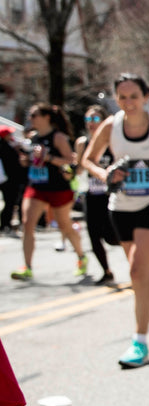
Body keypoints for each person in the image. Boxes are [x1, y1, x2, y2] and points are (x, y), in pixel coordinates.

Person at [82, 74, 149, 368]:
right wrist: (107, 174)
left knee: (137, 269)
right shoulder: (111, 126)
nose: (128, 102)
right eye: (122, 97)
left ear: (146, 96)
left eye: (134, 96)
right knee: (143, 270)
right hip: (122, 206)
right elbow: (88, 159)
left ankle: (140, 342)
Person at [10, 103, 87, 281]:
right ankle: (27, 267)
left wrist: (49, 158)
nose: (30, 119)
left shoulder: (58, 137)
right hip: (36, 186)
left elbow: (70, 160)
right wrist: (26, 161)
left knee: (64, 226)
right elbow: (33, 161)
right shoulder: (33, 138)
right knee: (27, 223)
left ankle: (81, 257)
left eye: (34, 115)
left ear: (47, 117)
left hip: (58, 188)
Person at [76, 106, 119, 285]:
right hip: (92, 194)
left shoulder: (112, 139)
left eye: (94, 120)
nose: (91, 124)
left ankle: (138, 263)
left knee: (113, 236)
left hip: (111, 194)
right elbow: (79, 168)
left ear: (103, 121)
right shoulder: (82, 143)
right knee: (94, 236)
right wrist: (71, 168)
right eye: (88, 120)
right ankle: (106, 271)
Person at [1, 125, 28, 235]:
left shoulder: (10, 145)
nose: (11, 136)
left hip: (10, 179)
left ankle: (6, 224)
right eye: (9, 134)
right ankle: (5, 225)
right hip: (8, 180)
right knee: (10, 202)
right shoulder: (4, 147)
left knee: (11, 202)